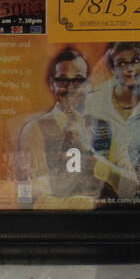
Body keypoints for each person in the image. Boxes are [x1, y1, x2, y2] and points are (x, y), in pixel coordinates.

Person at [84, 43, 140, 201]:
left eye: (136, 61)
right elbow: (72, 119)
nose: (130, 68)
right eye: (122, 63)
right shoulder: (94, 101)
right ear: (113, 69)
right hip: (100, 186)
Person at [15, 48, 100, 205]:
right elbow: (28, 194)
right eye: (62, 80)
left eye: (78, 80)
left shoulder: (102, 127)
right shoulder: (34, 129)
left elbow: (127, 188)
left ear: (89, 84)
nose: (70, 88)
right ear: (51, 84)